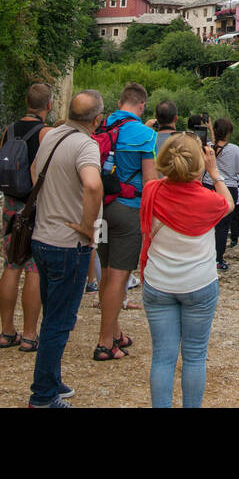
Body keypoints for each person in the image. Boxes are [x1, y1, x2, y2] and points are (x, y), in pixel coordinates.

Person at [140, 132, 233, 407]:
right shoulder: (209, 200)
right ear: (198, 165)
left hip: (158, 283)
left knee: (163, 357)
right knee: (194, 356)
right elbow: (228, 203)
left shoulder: (151, 191)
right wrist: (215, 172)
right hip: (199, 284)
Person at [27, 90, 104, 407]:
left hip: (42, 238)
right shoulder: (87, 145)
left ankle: (52, 380)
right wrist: (88, 227)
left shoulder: (52, 134)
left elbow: (34, 170)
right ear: (97, 120)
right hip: (68, 245)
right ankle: (43, 396)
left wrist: (50, 205)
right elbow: (93, 184)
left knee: (52, 317)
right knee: (59, 321)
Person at [95, 82, 158, 361]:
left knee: (106, 272)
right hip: (127, 209)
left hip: (98, 210)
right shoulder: (146, 134)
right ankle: (105, 343)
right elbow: (149, 181)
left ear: (121, 103)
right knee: (119, 278)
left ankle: (115, 331)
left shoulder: (100, 129)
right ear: (141, 106)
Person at [0, 84, 51, 352]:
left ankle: (7, 331)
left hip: (10, 204)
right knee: (34, 269)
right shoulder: (45, 133)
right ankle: (30, 335)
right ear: (49, 105)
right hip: (35, 205)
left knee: (11, 264)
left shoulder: (9, 129)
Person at [212, 117, 239, 270]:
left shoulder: (208, 147)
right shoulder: (235, 149)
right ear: (228, 132)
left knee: (207, 224)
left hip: (210, 185)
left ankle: (205, 256)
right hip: (229, 187)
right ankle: (218, 258)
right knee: (223, 225)